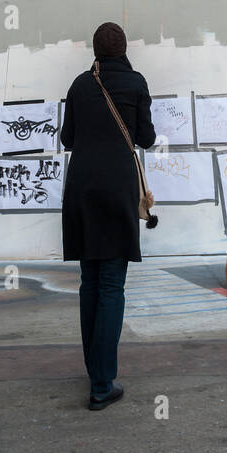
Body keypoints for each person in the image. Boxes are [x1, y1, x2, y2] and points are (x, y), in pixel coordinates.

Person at [60, 22, 156, 410]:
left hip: (82, 187)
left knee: (90, 282)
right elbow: (146, 138)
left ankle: (95, 370)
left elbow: (68, 139)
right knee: (112, 284)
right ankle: (102, 383)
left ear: (95, 49)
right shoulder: (136, 83)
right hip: (117, 187)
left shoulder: (80, 85)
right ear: (125, 48)